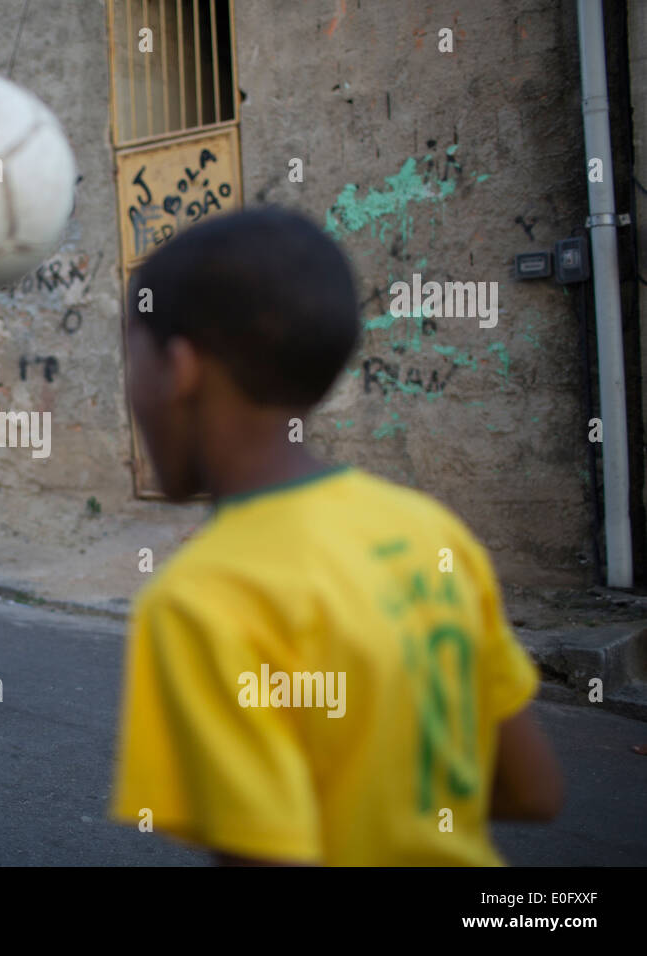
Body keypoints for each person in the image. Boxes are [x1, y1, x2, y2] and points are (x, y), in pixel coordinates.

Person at [108, 206, 562, 865]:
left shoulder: (202, 600)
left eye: (132, 360)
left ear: (180, 369)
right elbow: (535, 790)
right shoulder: (428, 531)